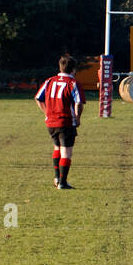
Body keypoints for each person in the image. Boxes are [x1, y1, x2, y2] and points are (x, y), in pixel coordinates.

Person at [35, 55, 85, 189]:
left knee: (57, 147)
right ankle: (62, 183)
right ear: (73, 69)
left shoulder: (49, 81)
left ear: (60, 67)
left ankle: (57, 178)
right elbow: (79, 102)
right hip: (65, 122)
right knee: (66, 152)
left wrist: (47, 112)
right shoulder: (73, 83)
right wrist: (78, 117)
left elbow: (38, 98)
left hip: (51, 122)